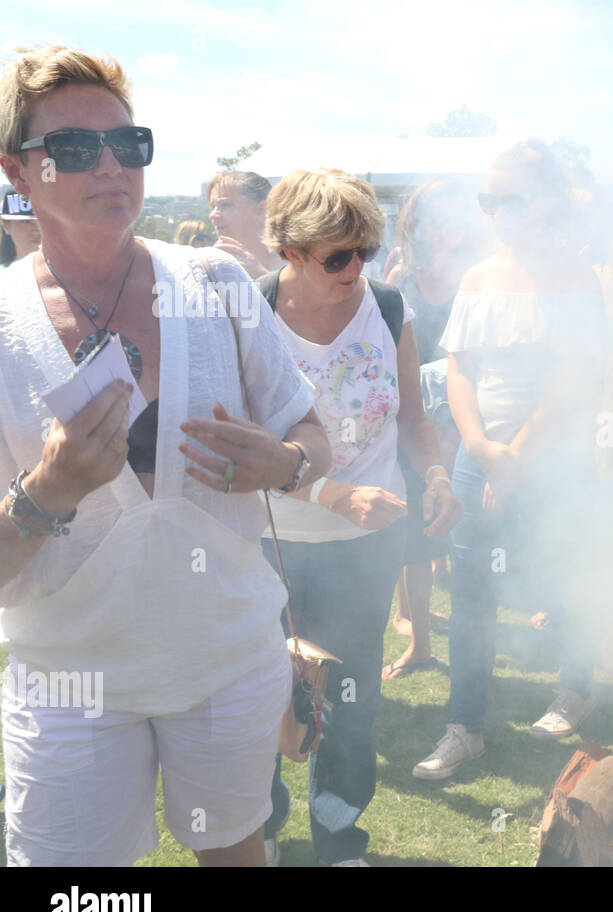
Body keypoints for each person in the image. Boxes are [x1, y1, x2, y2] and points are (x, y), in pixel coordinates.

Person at [0, 44, 331, 867]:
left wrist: (283, 465)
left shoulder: (215, 283)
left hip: (228, 658)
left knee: (234, 853)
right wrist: (47, 493)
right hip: (69, 683)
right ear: (17, 169)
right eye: (75, 149)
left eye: (129, 143)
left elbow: (315, 441)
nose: (111, 165)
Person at [256, 167, 461, 866]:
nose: (354, 269)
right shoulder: (249, 314)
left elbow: (411, 415)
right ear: (289, 249)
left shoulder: (387, 306)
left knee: (349, 698)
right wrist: (329, 495)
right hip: (267, 541)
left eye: (364, 252)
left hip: (365, 546)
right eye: (336, 256)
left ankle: (338, 841)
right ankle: (261, 835)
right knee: (259, 693)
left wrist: (435, 474)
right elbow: (240, 446)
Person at [414, 140, 605, 780]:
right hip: (482, 456)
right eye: (487, 200)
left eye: (510, 198)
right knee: (470, 595)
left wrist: (518, 452)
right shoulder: (476, 277)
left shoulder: (577, 276)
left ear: (548, 199)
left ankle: (576, 687)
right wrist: (478, 447)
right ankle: (464, 726)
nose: (496, 211)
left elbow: (580, 376)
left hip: (554, 459)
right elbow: (460, 371)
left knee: (567, 576)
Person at [381, 178, 484, 680]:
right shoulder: (400, 278)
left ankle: (473, 640)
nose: (436, 228)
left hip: (466, 416)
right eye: (427, 218)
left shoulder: (476, 278)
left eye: (446, 216)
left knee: (467, 531)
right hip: (413, 418)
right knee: (415, 534)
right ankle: (418, 641)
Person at [206, 169, 281, 279]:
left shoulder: (298, 262)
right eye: (213, 207)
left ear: (261, 210)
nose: (213, 215)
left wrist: (260, 274)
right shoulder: (211, 266)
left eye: (225, 205)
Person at [1, 184, 40, 266]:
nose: (37, 229)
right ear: (5, 225)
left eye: (42, 221)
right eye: (26, 222)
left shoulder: (69, 273)